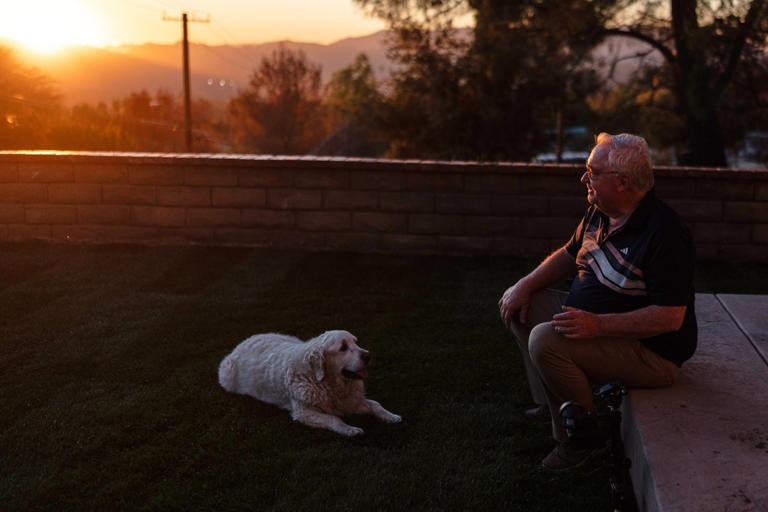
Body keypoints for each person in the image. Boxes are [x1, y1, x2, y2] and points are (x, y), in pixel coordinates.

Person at [499, 132, 697, 471]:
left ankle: (583, 442)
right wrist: (525, 284)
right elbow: (568, 254)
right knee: (523, 309)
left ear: (623, 181)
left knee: (546, 340)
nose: (584, 177)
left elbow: (670, 317)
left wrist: (598, 325)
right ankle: (557, 405)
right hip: (598, 323)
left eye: (592, 171)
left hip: (650, 352)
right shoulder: (602, 211)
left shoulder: (664, 233)